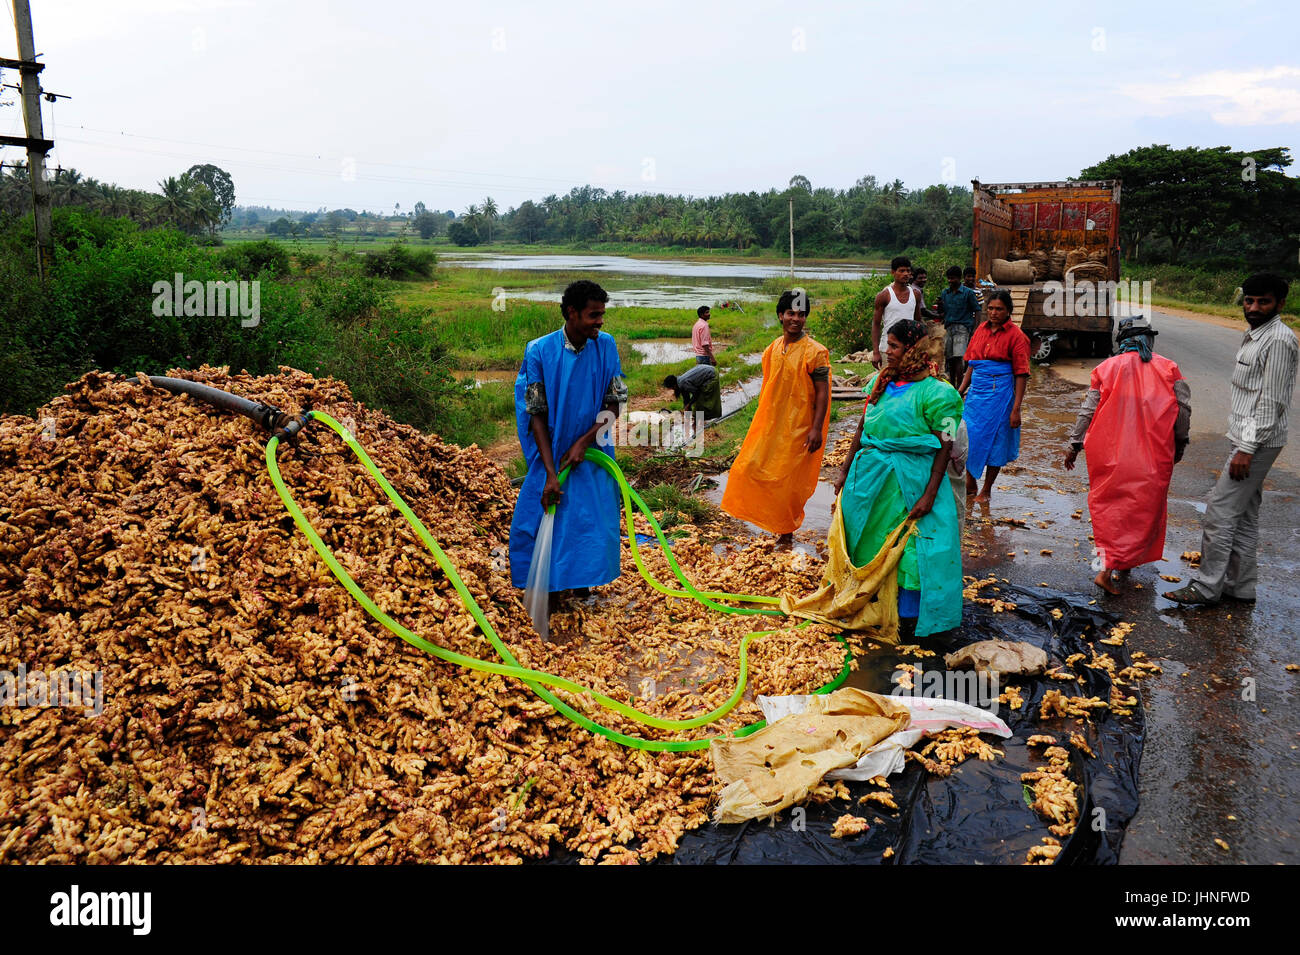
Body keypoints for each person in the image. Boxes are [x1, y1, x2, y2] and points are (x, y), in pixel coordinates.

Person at [1165, 273, 1298, 607]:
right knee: (1244, 514)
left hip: (1256, 441)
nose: (1253, 308)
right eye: (1249, 301)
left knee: (1219, 512)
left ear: (1280, 304)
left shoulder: (1279, 340)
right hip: (1245, 436)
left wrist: (1247, 449)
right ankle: (1240, 587)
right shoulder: (1255, 334)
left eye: (1263, 301)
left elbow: (1272, 401)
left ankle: (1207, 586)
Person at [831, 319, 964, 635]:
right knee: (865, 539)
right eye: (886, 344)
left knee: (913, 550)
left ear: (913, 350)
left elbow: (946, 444)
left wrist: (930, 493)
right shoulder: (881, 383)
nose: (886, 351)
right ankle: (870, 598)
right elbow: (862, 427)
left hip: (912, 481)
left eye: (893, 346)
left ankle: (907, 614)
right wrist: (844, 471)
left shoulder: (938, 394)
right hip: (870, 479)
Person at [510, 280, 627, 607]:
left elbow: (614, 402)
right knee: (546, 510)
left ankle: (580, 581)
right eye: (593, 315)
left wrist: (584, 443)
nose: (600, 322)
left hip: (593, 450)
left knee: (590, 516)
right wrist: (550, 471)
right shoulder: (539, 351)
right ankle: (550, 587)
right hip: (552, 450)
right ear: (572, 313)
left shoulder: (606, 346)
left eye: (602, 315)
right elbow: (535, 413)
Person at [1064, 317, 1192, 594]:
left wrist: (1075, 444)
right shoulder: (1169, 369)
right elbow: (1182, 413)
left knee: (1109, 510)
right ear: (1149, 340)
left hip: (1108, 455)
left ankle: (1112, 567)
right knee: (1143, 511)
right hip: (1153, 455)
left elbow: (1088, 410)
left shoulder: (1105, 368)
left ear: (1121, 341)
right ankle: (1116, 567)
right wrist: (1179, 446)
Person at [721, 289, 831, 547]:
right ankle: (761, 517)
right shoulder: (772, 349)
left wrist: (816, 429)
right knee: (748, 467)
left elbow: (823, 394)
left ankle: (786, 532)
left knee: (787, 481)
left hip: (800, 427)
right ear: (781, 315)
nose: (796, 318)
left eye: (801, 314)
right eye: (791, 313)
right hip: (772, 425)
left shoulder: (816, 352)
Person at [958, 289, 1030, 503]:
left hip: (1001, 396)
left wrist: (1016, 408)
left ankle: (987, 489)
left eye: (999, 309)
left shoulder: (1017, 337)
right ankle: (970, 481)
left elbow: (1021, 374)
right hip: (977, 395)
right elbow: (972, 364)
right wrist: (960, 391)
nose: (994, 312)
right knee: (968, 437)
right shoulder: (980, 329)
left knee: (997, 442)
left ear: (1009, 311)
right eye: (990, 308)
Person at [871, 256, 921, 369]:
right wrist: (875, 352)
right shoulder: (884, 295)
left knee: (908, 384)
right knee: (887, 382)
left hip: (909, 349)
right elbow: (876, 324)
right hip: (887, 349)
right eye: (902, 271)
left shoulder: (916, 294)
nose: (906, 274)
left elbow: (918, 322)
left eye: (908, 271)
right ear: (893, 272)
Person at [937, 264, 982, 384]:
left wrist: (975, 329)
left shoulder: (968, 293)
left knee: (958, 357)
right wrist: (940, 308)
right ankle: (952, 384)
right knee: (950, 358)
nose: (950, 281)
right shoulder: (945, 293)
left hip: (963, 328)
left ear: (959, 278)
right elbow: (942, 312)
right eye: (949, 278)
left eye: (953, 278)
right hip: (949, 327)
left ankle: (960, 386)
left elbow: (977, 310)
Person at [664, 361, 723, 427]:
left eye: (672, 388)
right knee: (696, 401)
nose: (673, 390)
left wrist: (689, 405)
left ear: (674, 386)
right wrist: (687, 408)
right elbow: (686, 398)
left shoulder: (683, 383)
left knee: (700, 400)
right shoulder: (680, 381)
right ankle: (700, 419)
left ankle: (702, 420)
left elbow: (696, 392)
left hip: (711, 375)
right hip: (707, 371)